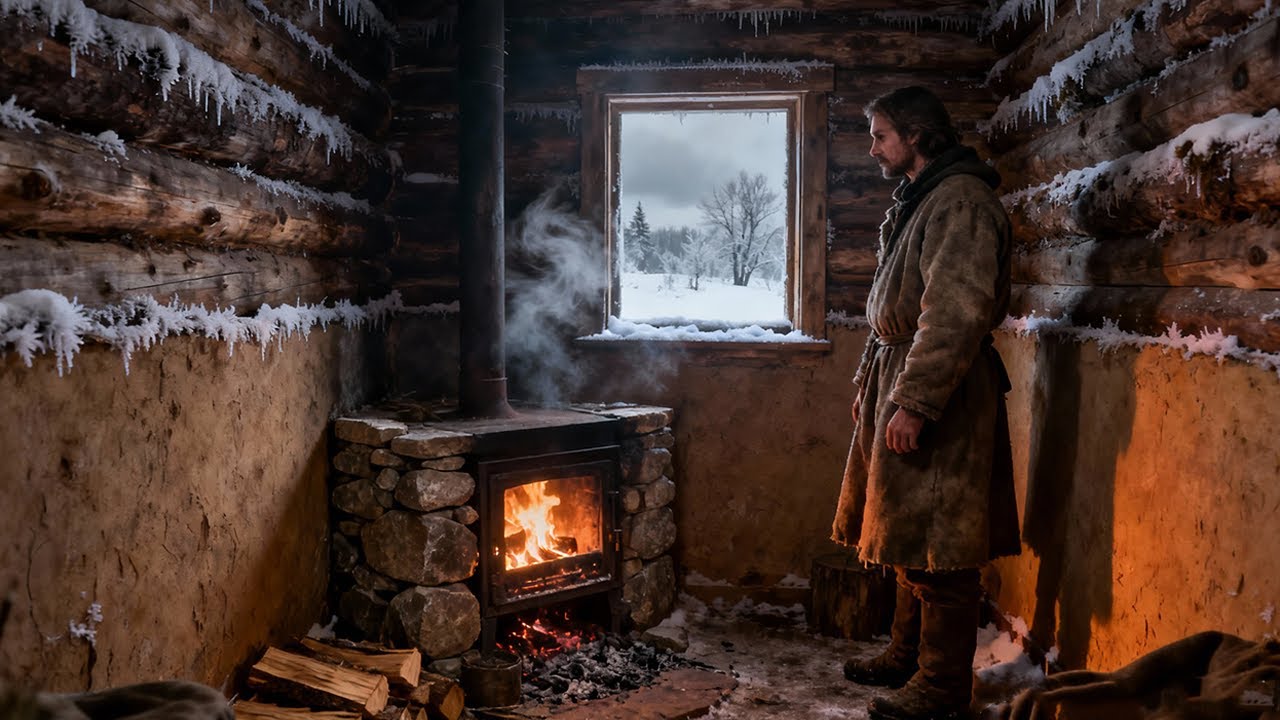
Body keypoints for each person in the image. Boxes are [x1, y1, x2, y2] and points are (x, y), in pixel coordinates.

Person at [831, 86, 1022, 720]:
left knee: (941, 542)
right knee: (905, 531)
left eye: (881, 134)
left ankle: (942, 688)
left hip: (944, 390)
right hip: (901, 373)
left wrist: (915, 401)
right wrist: (869, 385)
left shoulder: (961, 203)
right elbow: (891, 317)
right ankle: (907, 653)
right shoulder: (922, 197)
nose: (874, 146)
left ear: (915, 136)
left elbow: (954, 313)